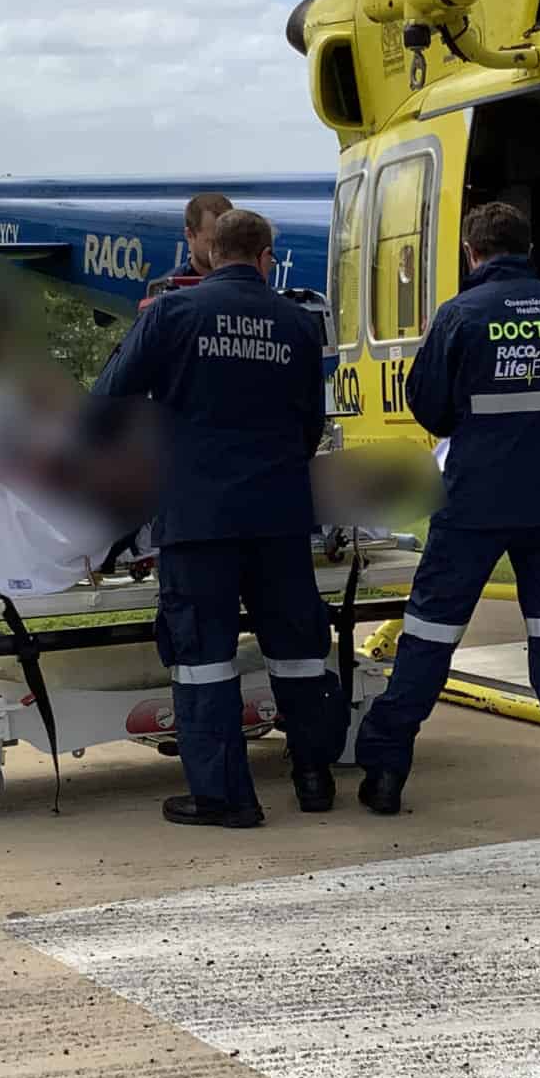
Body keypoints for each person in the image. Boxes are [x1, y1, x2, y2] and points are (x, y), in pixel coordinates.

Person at [354, 201, 540, 820]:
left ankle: (385, 772)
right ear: (528, 247)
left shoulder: (460, 315)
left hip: (472, 502)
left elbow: (430, 407)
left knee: (429, 639)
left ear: (472, 253)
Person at [92, 206, 342, 827]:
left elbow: (108, 400)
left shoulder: (173, 315)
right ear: (265, 258)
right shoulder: (298, 324)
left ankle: (226, 797)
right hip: (280, 514)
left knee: (203, 656)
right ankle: (314, 777)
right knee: (299, 652)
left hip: (198, 517)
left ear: (208, 254)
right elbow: (313, 420)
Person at [174, 191, 233, 281]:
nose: (222, 250)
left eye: (227, 241)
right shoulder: (172, 287)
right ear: (189, 235)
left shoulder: (249, 284)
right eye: (213, 242)